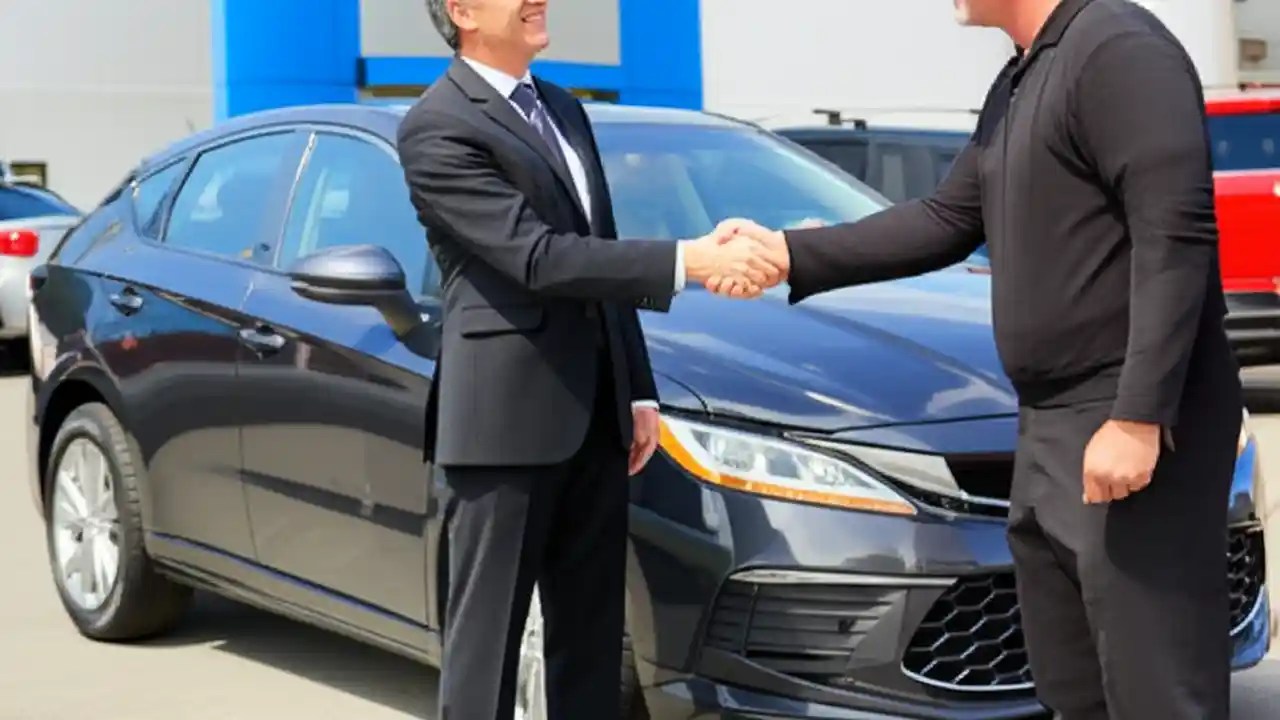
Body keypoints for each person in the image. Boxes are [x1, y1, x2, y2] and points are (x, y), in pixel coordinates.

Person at [712, 0, 1241, 718]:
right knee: (1073, 688)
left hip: (1124, 424)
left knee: (1157, 692)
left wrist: (1139, 415)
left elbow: (1174, 234)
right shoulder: (1024, 77)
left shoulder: (1118, 50)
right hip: (1050, 428)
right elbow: (946, 218)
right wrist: (787, 253)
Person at [395, 1, 781, 718]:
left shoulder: (565, 108)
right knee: (486, 654)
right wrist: (690, 260)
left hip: (595, 417)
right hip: (503, 430)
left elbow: (599, 245)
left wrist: (637, 390)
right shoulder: (437, 124)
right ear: (463, 10)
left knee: (593, 647)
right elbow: (538, 257)